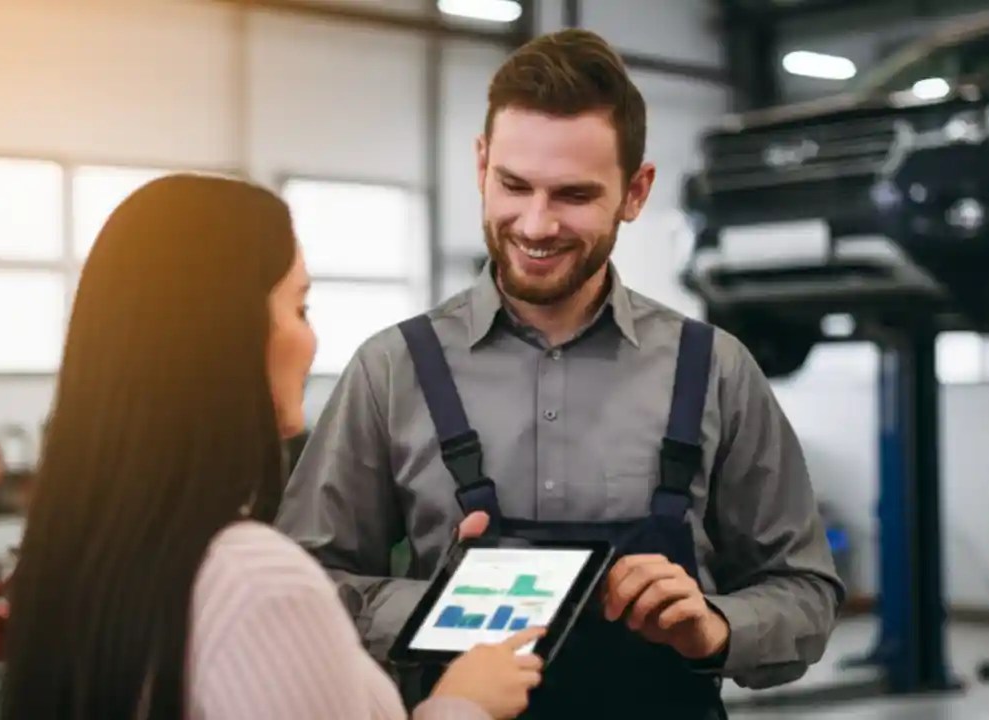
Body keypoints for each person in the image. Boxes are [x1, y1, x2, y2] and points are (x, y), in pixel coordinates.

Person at [275, 28, 845, 719]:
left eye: (573, 195)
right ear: (481, 165)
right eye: (514, 185)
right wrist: (443, 613)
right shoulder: (391, 371)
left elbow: (805, 592)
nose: (536, 225)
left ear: (636, 191)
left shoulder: (715, 370)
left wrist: (714, 627)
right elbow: (301, 590)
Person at [0, 174, 546, 720]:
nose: (312, 340)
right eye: (300, 309)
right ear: (231, 334)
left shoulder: (82, 555)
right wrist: (462, 703)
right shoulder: (259, 583)